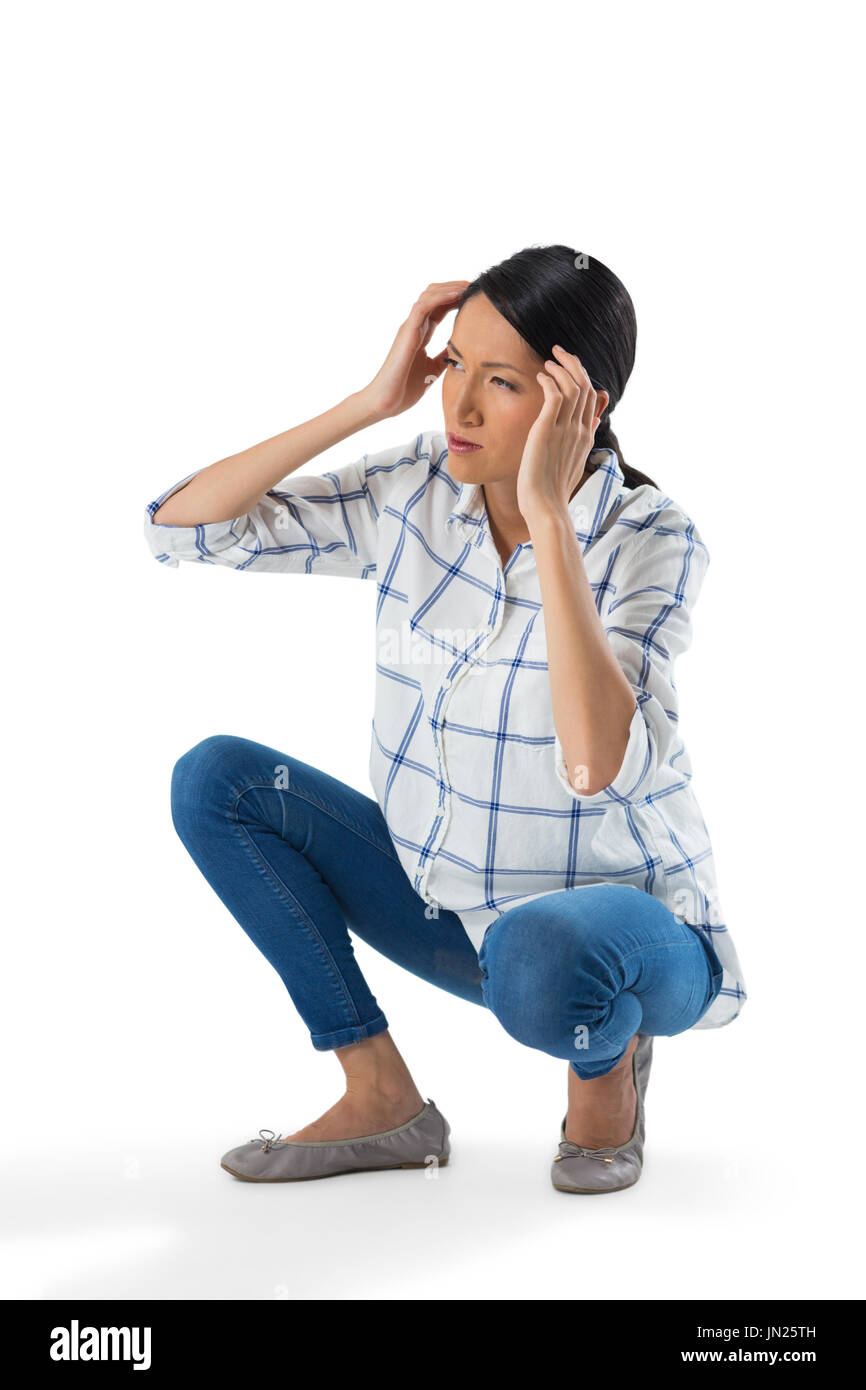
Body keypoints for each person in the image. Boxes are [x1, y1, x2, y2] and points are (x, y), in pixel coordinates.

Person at [143, 245, 747, 1194]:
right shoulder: (418, 489)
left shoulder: (648, 538)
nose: (458, 405)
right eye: (452, 364)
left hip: (624, 941)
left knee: (547, 954)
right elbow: (183, 528)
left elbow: (596, 767)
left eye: (499, 381)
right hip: (450, 907)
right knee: (217, 782)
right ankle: (381, 1093)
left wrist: (549, 513)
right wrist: (368, 404)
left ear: (576, 401)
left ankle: (606, 1077)